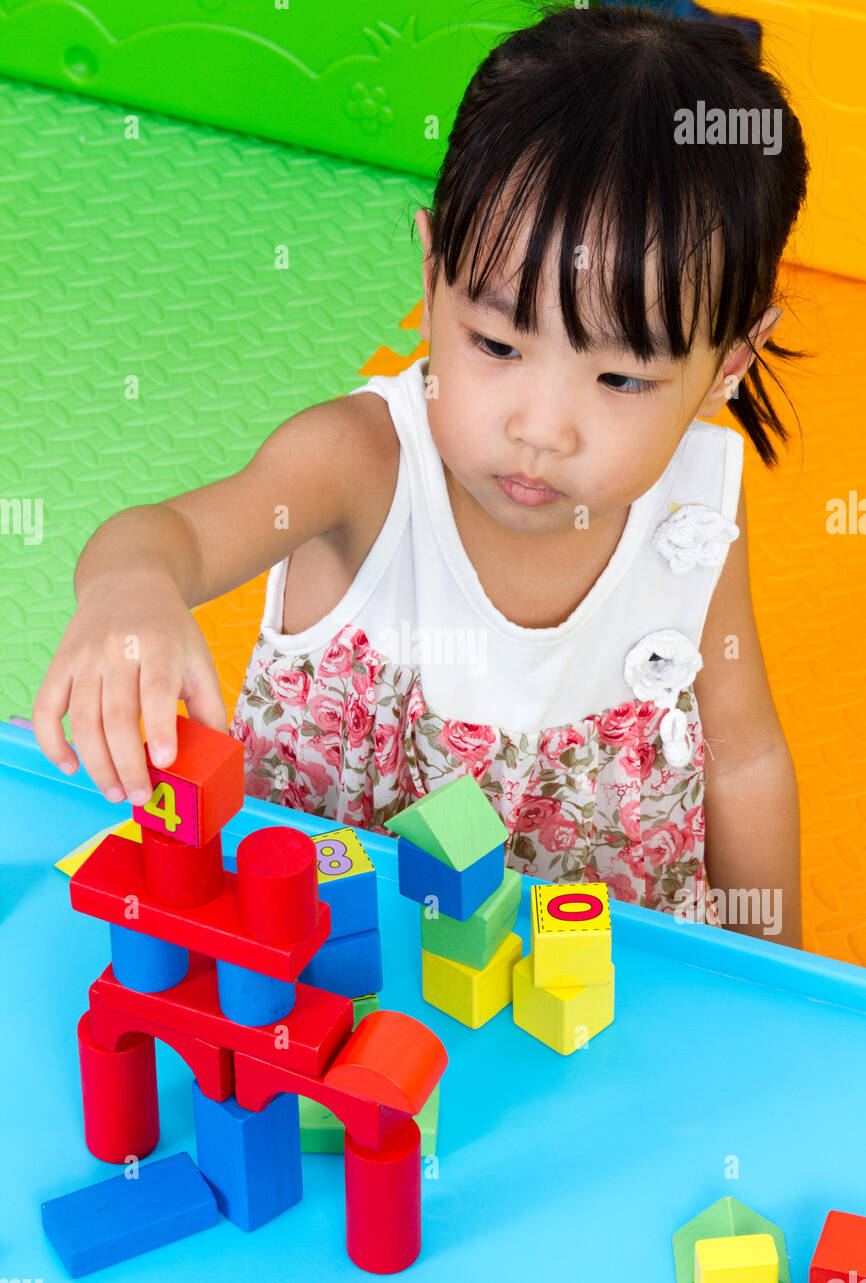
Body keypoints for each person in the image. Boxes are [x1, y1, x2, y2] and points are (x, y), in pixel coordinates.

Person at [33, 4, 808, 944]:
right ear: (434, 270)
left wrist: (774, 980)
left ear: (729, 363)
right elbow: (174, 538)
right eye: (494, 342)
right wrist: (129, 589)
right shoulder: (360, 466)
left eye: (619, 377)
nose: (539, 429)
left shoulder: (692, 514)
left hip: (589, 976)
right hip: (329, 953)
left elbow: (746, 758)